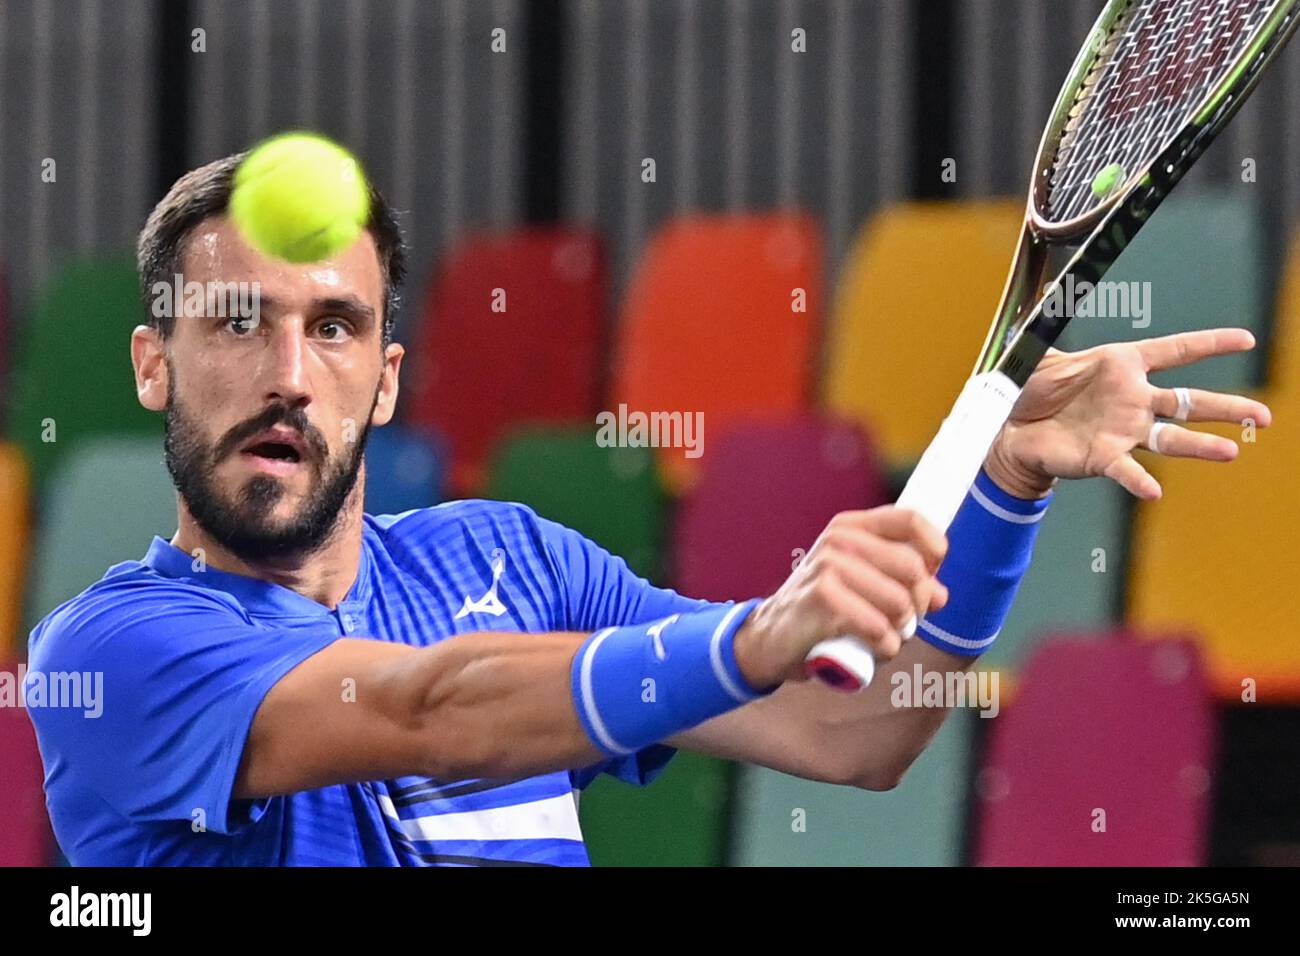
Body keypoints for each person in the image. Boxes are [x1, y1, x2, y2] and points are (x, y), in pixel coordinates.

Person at [25, 152, 1270, 865]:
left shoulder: (507, 556)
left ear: (388, 377)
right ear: (154, 363)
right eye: (239, 322)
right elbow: (426, 709)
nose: (289, 372)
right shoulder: (111, 648)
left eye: (336, 327)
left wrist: (1002, 486)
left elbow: (848, 736)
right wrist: (747, 634)